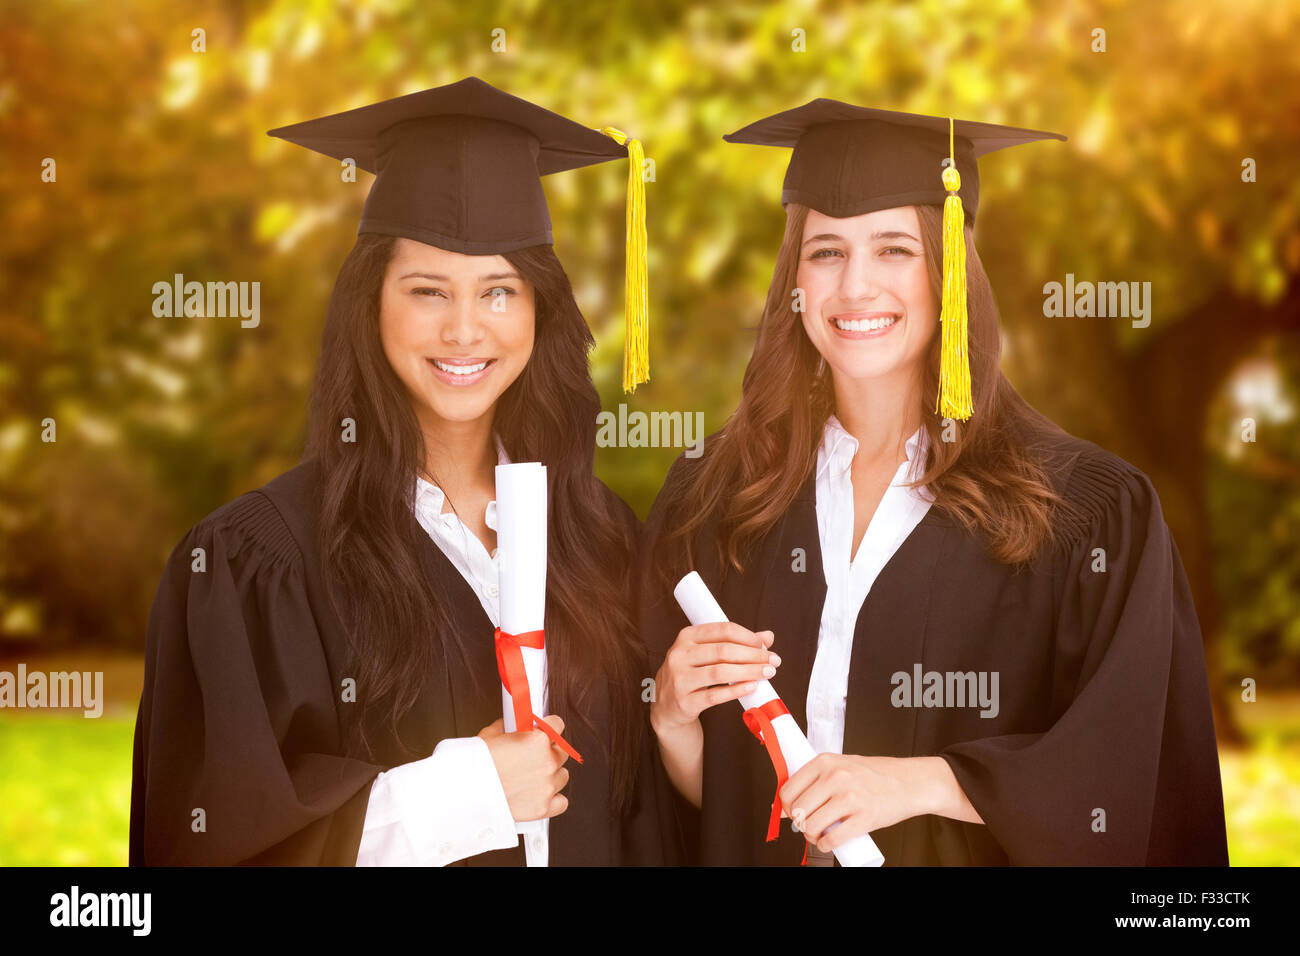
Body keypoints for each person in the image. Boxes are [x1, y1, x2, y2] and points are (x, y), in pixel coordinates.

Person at [639, 99, 1230, 865]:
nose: (855, 288)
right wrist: (675, 722)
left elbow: (1124, 777)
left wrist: (926, 783)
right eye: (825, 252)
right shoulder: (718, 499)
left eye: (894, 250)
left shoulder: (1083, 513)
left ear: (950, 270)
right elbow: (697, 816)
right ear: (795, 280)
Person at [130, 76, 676, 866]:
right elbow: (209, 840)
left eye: (498, 290)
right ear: (371, 305)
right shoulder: (260, 564)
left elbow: (647, 818)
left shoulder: (598, 536)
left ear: (537, 312)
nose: (464, 329)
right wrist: (466, 797)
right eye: (426, 291)